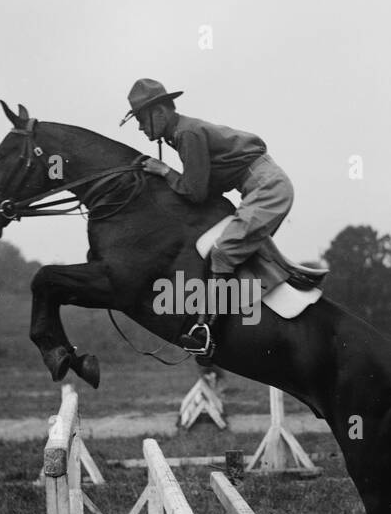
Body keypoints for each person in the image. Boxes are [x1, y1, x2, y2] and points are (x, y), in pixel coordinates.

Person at [120, 78, 297, 357]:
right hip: (260, 185)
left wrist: (164, 171)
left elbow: (195, 192)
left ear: (161, 113)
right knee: (229, 250)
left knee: (223, 253)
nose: (141, 128)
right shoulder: (181, 133)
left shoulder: (187, 134)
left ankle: (207, 332)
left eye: (142, 120)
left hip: (267, 187)